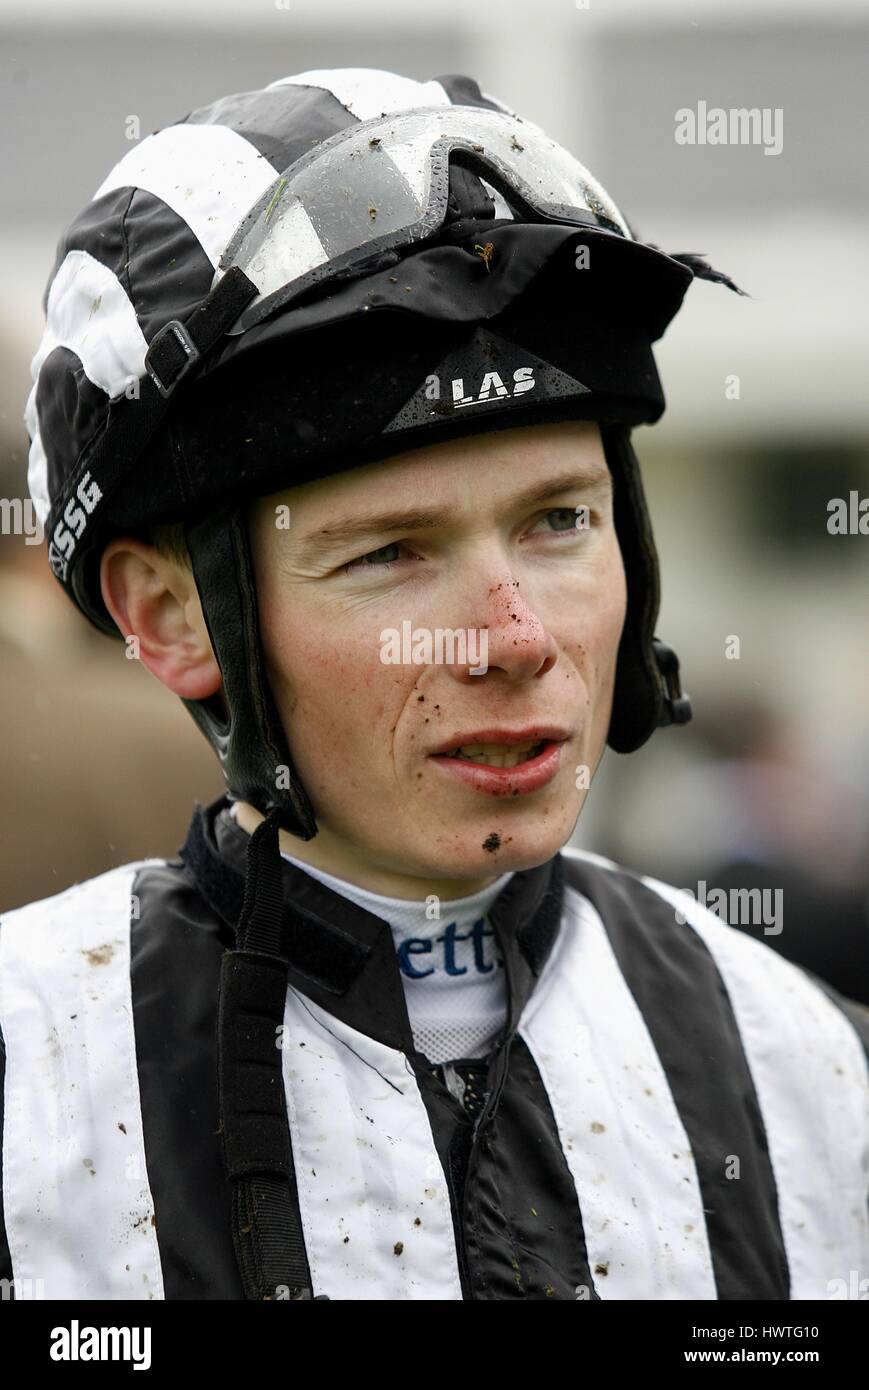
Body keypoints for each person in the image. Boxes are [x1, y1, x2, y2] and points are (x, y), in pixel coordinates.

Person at [1, 66, 866, 1303]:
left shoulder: (816, 1078)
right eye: (392, 552)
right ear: (169, 614)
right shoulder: (22, 1082)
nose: (512, 638)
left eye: (559, 519)